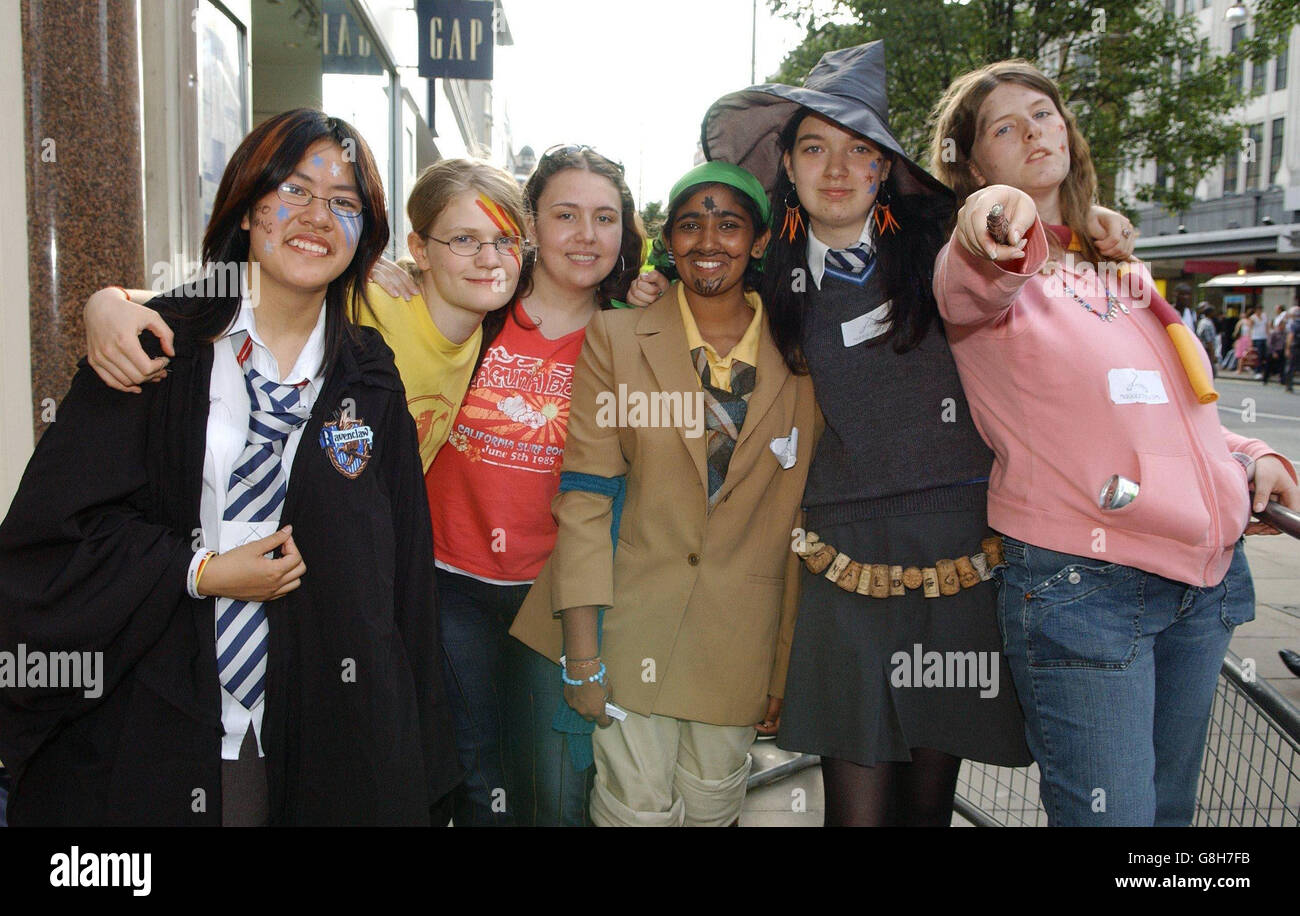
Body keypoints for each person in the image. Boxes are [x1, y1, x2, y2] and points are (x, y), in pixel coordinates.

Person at [0, 109, 460, 825]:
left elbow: (401, 578)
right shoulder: (155, 345)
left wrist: (414, 751)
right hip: (160, 723)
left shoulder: (368, 375)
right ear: (249, 205)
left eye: (345, 204)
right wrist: (201, 571)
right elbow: (52, 537)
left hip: (322, 730)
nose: (317, 216)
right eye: (295, 190)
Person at [930, 60, 1300, 826]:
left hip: (1204, 579)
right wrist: (996, 210)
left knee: (1167, 819)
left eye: (1043, 113)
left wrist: (1249, 457)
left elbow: (1172, 416)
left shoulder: (1118, 269)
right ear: (970, 163)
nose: (1035, 131)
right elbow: (983, 256)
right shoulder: (985, 269)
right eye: (1004, 127)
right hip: (1086, 587)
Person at [510, 161, 818, 827]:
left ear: (760, 241)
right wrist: (583, 656)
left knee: (713, 807)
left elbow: (795, 525)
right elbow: (587, 496)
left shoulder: (800, 355)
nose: (709, 240)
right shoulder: (618, 337)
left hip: (738, 641)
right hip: (628, 627)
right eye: (690, 224)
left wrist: (781, 668)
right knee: (633, 811)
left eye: (729, 224)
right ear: (667, 242)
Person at [423, 145, 643, 826]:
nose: (585, 235)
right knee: (473, 776)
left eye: (604, 218)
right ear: (530, 226)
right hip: (449, 584)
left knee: (553, 791)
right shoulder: (475, 306)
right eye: (566, 214)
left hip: (558, 596)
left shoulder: (634, 335)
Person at [1196, 304, 1219, 379]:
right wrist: (1213, 353)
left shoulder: (1204, 322)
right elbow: (1208, 340)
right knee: (1210, 371)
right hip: (1207, 349)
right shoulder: (1206, 323)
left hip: (1206, 348)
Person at [1251, 305, 1270, 379]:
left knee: (1264, 355)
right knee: (1258, 355)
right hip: (1256, 337)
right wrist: (1250, 340)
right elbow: (1250, 328)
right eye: (1258, 309)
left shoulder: (1264, 316)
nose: (1260, 311)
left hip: (1264, 337)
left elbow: (1267, 326)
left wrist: (1268, 336)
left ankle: (1262, 370)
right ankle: (1257, 371)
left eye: (1261, 309)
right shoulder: (1253, 317)